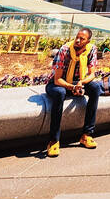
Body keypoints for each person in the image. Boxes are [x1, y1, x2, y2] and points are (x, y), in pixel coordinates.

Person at [44, 28, 103, 157]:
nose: (77, 40)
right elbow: (57, 79)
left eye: (82, 39)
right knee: (59, 93)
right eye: (77, 37)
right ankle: (54, 140)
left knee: (95, 88)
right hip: (58, 83)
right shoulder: (65, 50)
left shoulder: (91, 49)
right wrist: (72, 87)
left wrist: (81, 83)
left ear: (88, 41)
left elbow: (92, 74)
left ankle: (86, 134)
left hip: (78, 81)